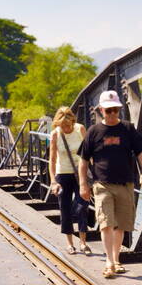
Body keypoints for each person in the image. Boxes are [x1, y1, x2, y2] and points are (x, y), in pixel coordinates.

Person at [79, 89, 142, 278]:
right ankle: (109, 262)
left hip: (125, 183)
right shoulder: (94, 132)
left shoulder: (128, 128)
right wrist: (83, 184)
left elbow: (141, 152)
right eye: (108, 110)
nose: (112, 114)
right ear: (101, 110)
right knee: (105, 223)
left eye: (115, 110)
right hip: (102, 184)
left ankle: (116, 258)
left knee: (120, 224)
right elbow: (83, 160)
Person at [49, 106, 91, 255]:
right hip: (63, 174)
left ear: (73, 121)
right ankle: (70, 243)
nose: (66, 128)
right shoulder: (55, 134)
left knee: (82, 207)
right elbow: (52, 160)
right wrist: (53, 181)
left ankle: (83, 242)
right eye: (62, 126)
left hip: (80, 174)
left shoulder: (80, 129)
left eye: (68, 125)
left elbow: (89, 153)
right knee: (65, 208)